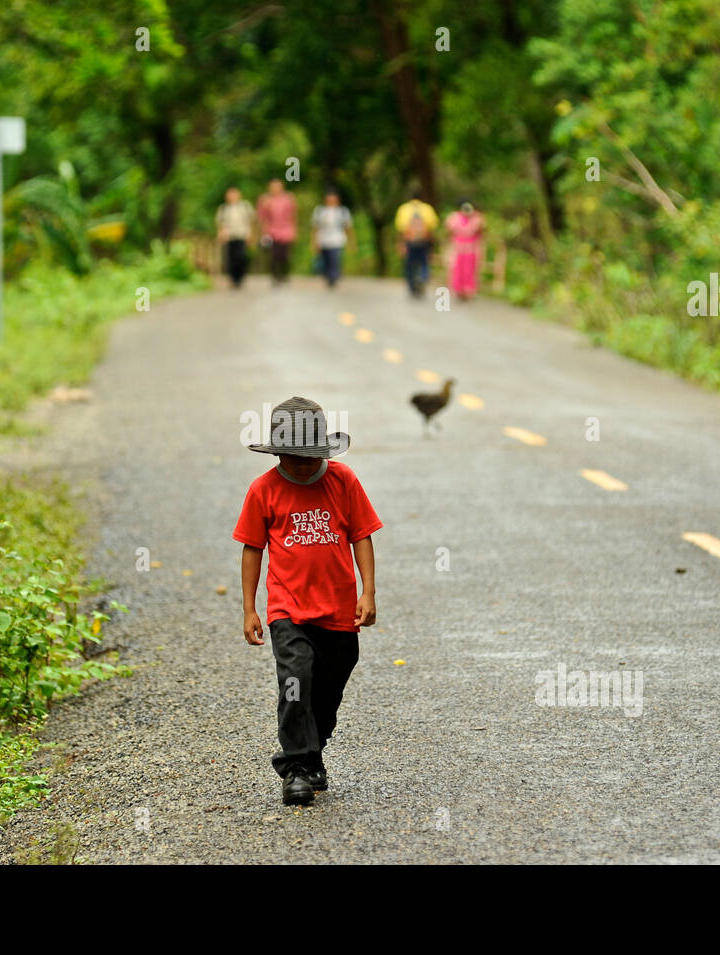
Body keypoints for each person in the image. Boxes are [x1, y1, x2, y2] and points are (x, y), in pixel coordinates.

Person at [234, 396, 382, 807]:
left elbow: (362, 535)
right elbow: (251, 548)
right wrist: (249, 608)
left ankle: (312, 750)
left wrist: (368, 591)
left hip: (338, 611)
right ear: (277, 451)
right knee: (296, 681)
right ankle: (297, 767)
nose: (302, 464)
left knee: (331, 685)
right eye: (293, 456)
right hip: (289, 611)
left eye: (310, 456)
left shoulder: (343, 481)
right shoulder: (263, 490)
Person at [394, 189, 439, 299]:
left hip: (410, 241)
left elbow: (400, 229)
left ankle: (412, 286)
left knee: (409, 264)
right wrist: (433, 245)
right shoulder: (427, 209)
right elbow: (432, 228)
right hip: (424, 241)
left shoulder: (403, 209)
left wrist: (400, 243)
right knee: (424, 262)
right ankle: (422, 278)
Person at [256, 178, 298, 285]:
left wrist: (294, 230)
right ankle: (275, 276)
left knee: (285, 255)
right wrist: (262, 232)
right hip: (271, 231)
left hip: (286, 231)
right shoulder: (265, 199)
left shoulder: (288, 198)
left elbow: (293, 215)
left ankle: (284, 274)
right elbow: (261, 217)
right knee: (274, 255)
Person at [310, 189, 354, 288]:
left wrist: (351, 241)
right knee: (326, 260)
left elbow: (348, 227)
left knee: (334, 259)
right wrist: (314, 241)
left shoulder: (342, 211)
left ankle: (333, 278)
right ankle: (327, 276)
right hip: (323, 240)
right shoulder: (320, 211)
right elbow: (315, 228)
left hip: (337, 240)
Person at [444, 199, 485, 301]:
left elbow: (481, 231)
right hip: (458, 248)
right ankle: (459, 290)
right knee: (457, 269)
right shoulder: (454, 217)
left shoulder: (477, 218)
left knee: (469, 269)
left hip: (471, 248)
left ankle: (468, 290)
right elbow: (449, 230)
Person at [215, 186, 256, 288]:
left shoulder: (245, 206)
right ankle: (233, 278)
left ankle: (240, 276)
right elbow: (220, 222)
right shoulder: (223, 208)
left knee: (241, 256)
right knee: (231, 258)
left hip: (242, 234)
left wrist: (251, 234)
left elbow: (251, 221)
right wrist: (220, 234)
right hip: (229, 236)